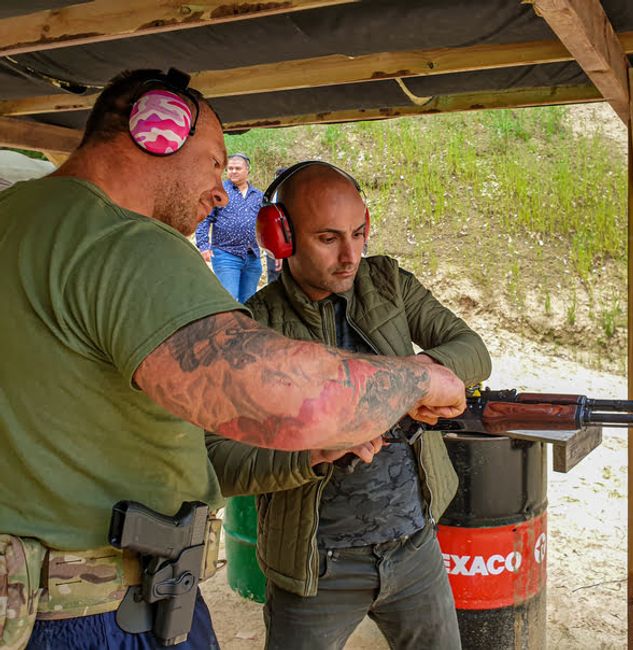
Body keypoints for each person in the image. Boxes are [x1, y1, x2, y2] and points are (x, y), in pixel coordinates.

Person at [0, 70, 466, 650]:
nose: (221, 191)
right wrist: (418, 377)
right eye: (214, 163)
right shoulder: (122, 242)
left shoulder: (16, 215)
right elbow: (294, 402)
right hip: (100, 608)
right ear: (158, 132)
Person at [206, 161, 492, 650]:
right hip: (315, 566)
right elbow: (217, 461)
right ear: (281, 238)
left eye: (359, 234)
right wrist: (309, 453)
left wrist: (412, 378)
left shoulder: (388, 283)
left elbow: (472, 350)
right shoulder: (254, 327)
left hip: (415, 547)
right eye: (328, 238)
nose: (350, 256)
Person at [194, 152, 263, 302]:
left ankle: (246, 319)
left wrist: (274, 251)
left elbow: (266, 223)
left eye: (237, 168)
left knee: (250, 301)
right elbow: (204, 219)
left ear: (247, 170)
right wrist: (204, 245)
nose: (233, 171)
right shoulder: (218, 192)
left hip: (252, 256)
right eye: (230, 168)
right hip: (226, 254)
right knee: (229, 299)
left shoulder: (258, 195)